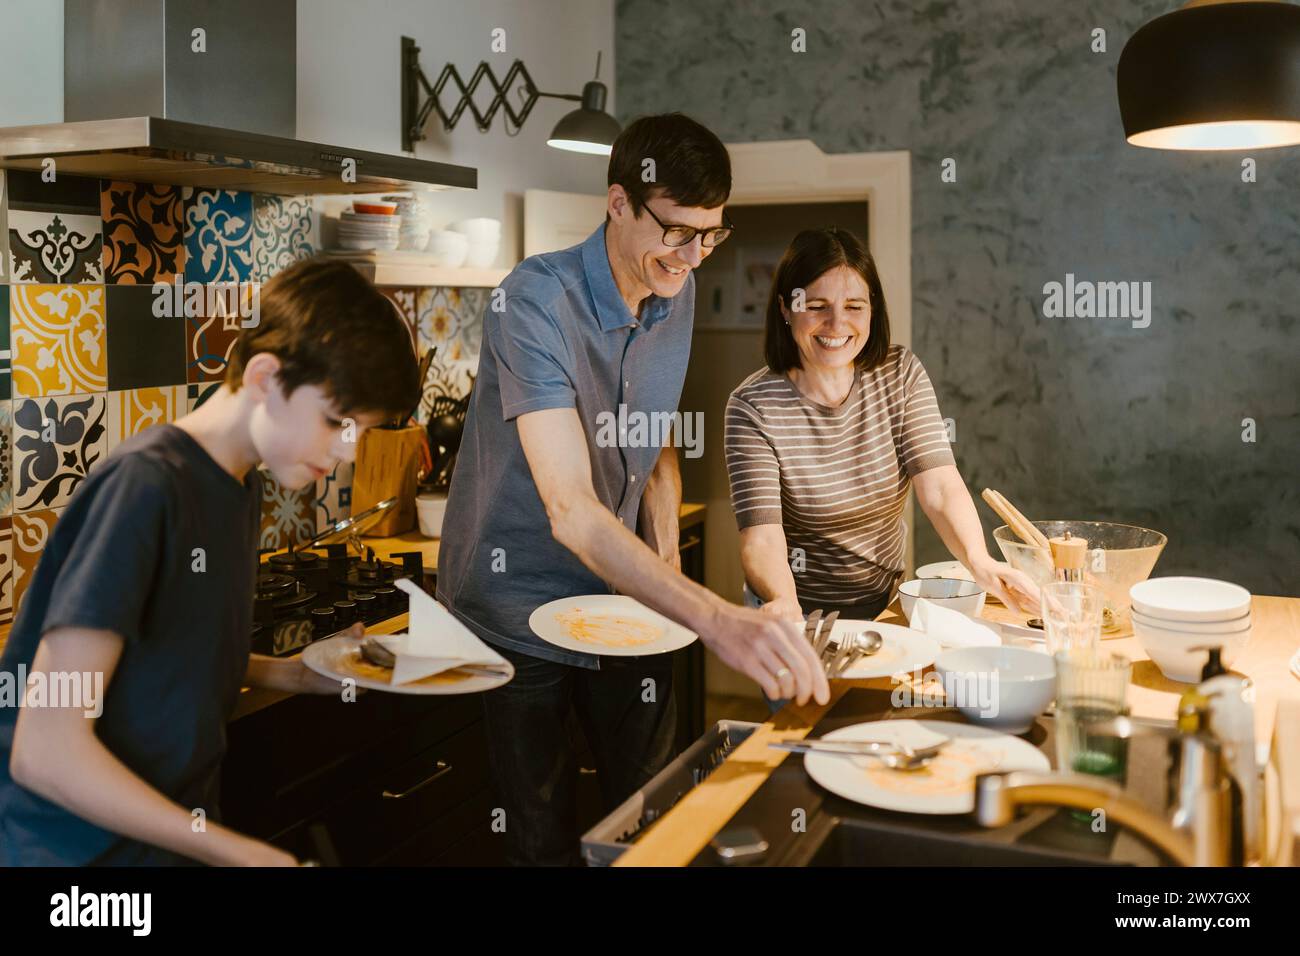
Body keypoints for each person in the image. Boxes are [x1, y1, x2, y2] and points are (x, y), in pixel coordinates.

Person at [437, 113, 829, 866]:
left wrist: (667, 576)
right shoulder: (533, 301)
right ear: (619, 202)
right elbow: (570, 509)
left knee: (654, 815)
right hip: (512, 607)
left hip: (618, 602)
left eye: (710, 235)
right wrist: (715, 619)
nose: (691, 257)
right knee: (539, 838)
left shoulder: (672, 290)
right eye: (676, 231)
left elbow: (652, 445)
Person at [0, 258, 419, 865]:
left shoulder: (237, 482)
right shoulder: (146, 488)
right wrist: (240, 854)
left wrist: (293, 673)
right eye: (336, 422)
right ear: (265, 377)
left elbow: (165, 650)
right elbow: (46, 749)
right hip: (77, 857)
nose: (347, 454)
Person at [725, 227, 1038, 637]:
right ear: (786, 308)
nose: (837, 323)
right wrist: (786, 605)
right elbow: (762, 538)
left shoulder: (900, 374)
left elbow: (940, 487)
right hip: (796, 612)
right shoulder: (753, 407)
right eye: (817, 305)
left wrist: (980, 561)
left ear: (872, 309)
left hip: (887, 603)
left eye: (854, 306)